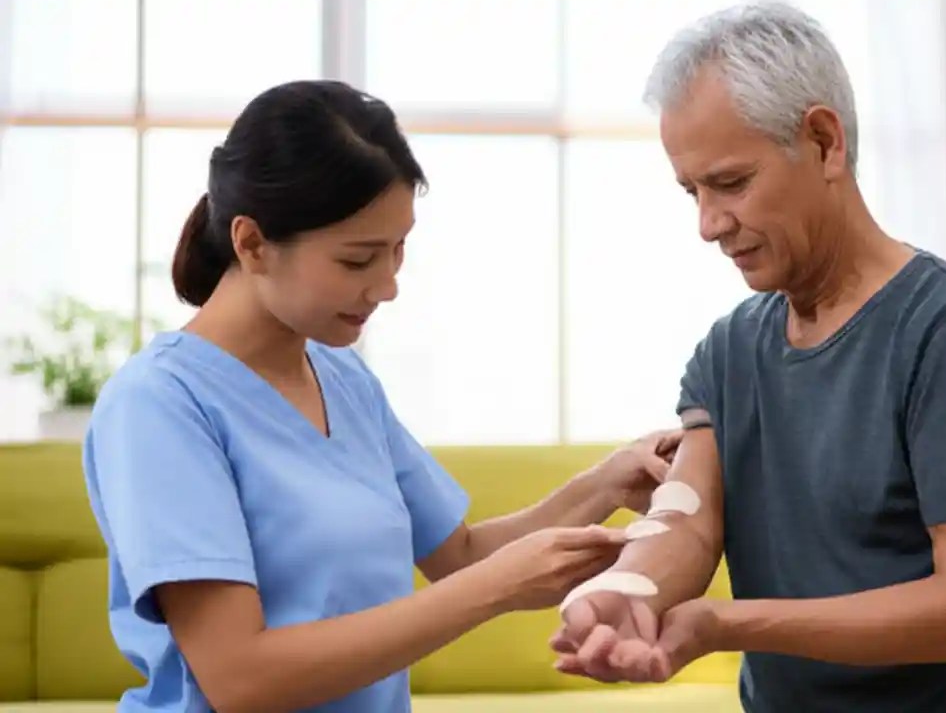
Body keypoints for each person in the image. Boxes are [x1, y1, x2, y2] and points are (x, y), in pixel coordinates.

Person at [81, 79, 682, 713]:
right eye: (358, 260)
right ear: (251, 243)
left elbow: (462, 555)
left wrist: (607, 485)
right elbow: (240, 679)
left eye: (398, 251)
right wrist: (495, 589)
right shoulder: (160, 405)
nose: (389, 286)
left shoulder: (343, 380)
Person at [549, 2, 946, 712]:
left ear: (825, 143)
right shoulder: (729, 350)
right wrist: (625, 592)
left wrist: (725, 623)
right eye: (691, 191)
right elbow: (687, 520)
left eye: (730, 183)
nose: (707, 224)